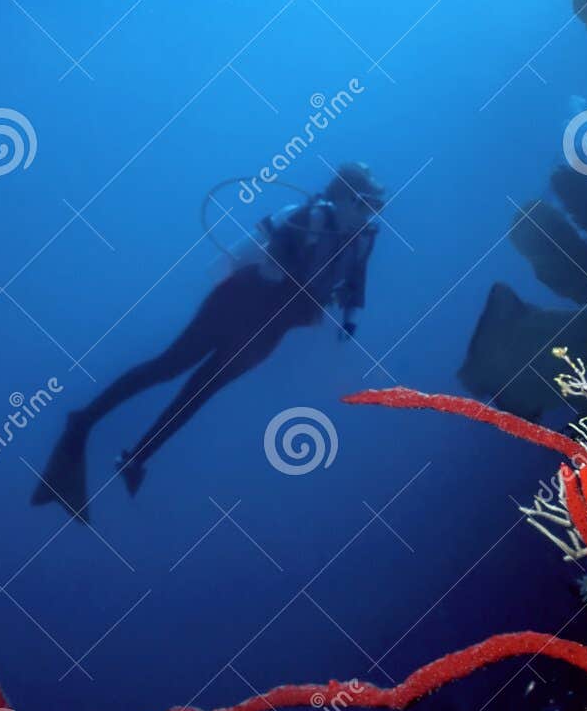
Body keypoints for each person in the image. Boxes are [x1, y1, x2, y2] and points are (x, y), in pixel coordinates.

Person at [31, 163, 385, 522]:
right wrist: (281, 264)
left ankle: (136, 459)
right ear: (341, 197)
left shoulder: (361, 242)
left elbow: (357, 282)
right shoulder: (306, 219)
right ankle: (83, 422)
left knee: (203, 390)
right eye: (363, 203)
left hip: (272, 327)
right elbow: (265, 261)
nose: (369, 212)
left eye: (374, 206)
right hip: (239, 303)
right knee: (170, 366)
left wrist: (350, 318)